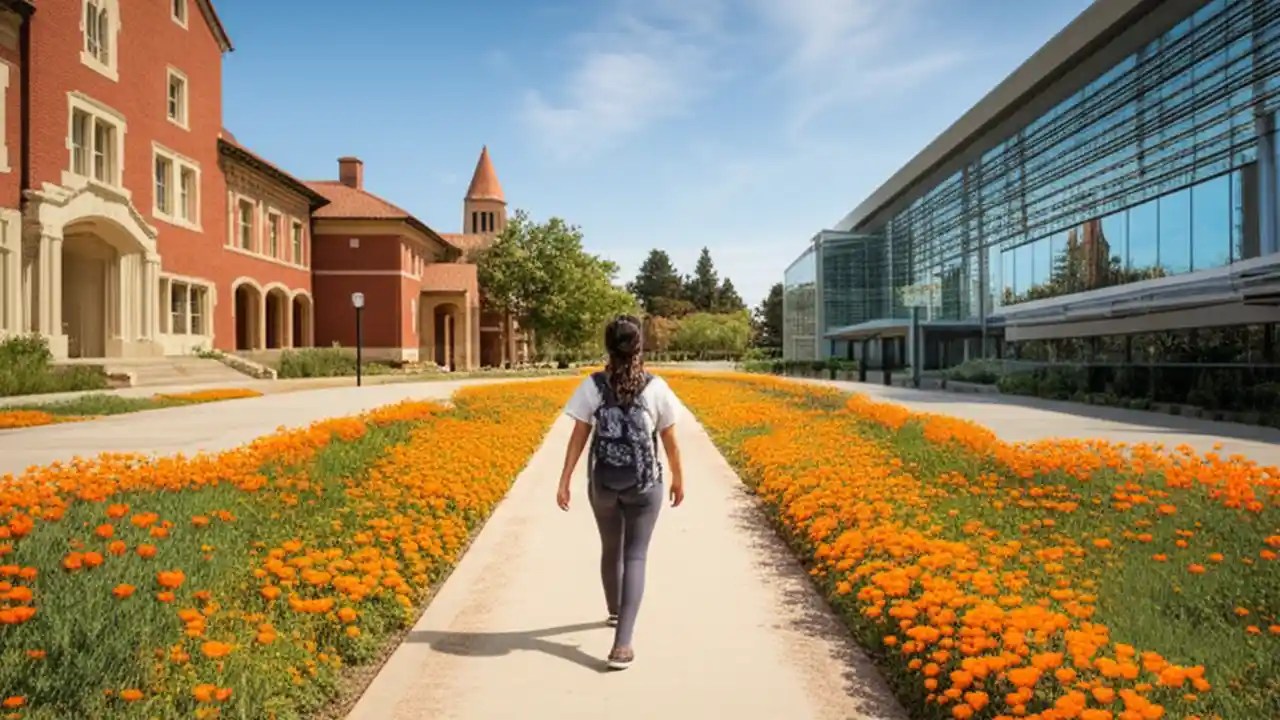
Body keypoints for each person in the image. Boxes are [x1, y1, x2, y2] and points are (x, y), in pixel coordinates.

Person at [557, 314, 685, 671]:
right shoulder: (655, 387)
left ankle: (615, 610)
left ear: (608, 347)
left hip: (603, 483)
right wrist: (678, 478)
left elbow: (579, 435)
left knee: (611, 548)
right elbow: (670, 440)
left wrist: (564, 479)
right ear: (639, 346)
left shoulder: (593, 385)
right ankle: (623, 644)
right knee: (636, 556)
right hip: (644, 485)